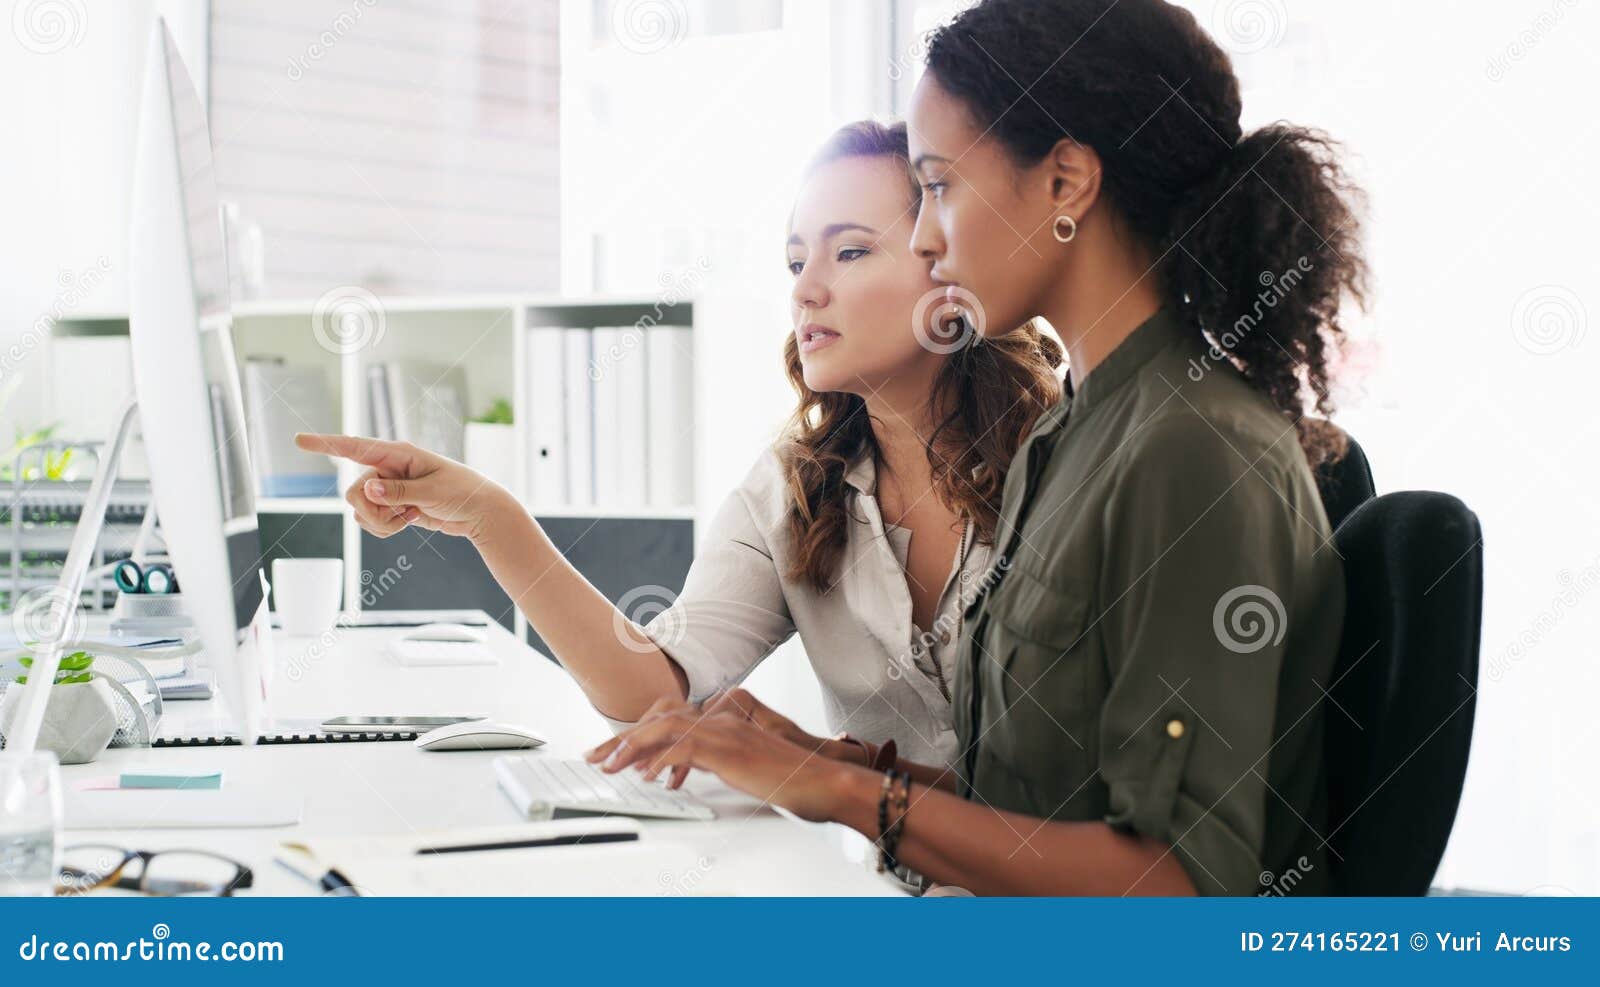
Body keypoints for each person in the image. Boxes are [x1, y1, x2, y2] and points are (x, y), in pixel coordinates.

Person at [587, 0, 1367, 896]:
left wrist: (846, 792)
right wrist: (807, 756)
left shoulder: (1192, 450)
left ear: (1066, 181)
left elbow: (1175, 881)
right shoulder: (1071, 436)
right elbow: (1042, 805)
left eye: (940, 185)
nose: (924, 235)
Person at [296, 120, 1063, 771]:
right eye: (797, 262)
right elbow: (654, 693)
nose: (804, 289)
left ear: (950, 262)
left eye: (851, 252)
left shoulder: (1074, 462)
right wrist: (491, 516)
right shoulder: (794, 491)